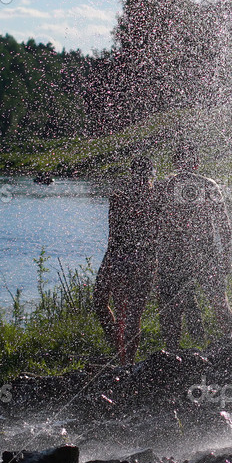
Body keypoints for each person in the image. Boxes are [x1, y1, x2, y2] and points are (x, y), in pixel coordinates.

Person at [156, 141, 232, 349]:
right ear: (197, 163)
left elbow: (154, 225)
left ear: (175, 162)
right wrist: (225, 256)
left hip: (175, 254)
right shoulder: (207, 184)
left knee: (172, 308)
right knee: (219, 303)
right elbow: (224, 226)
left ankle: (172, 354)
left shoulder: (165, 186)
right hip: (204, 252)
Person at [92, 156, 158, 365]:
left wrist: (109, 262)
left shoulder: (119, 196)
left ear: (131, 173)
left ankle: (124, 359)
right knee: (132, 313)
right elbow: (159, 232)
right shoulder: (155, 197)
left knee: (104, 303)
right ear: (150, 174)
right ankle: (125, 359)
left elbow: (113, 235)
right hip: (144, 258)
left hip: (119, 255)